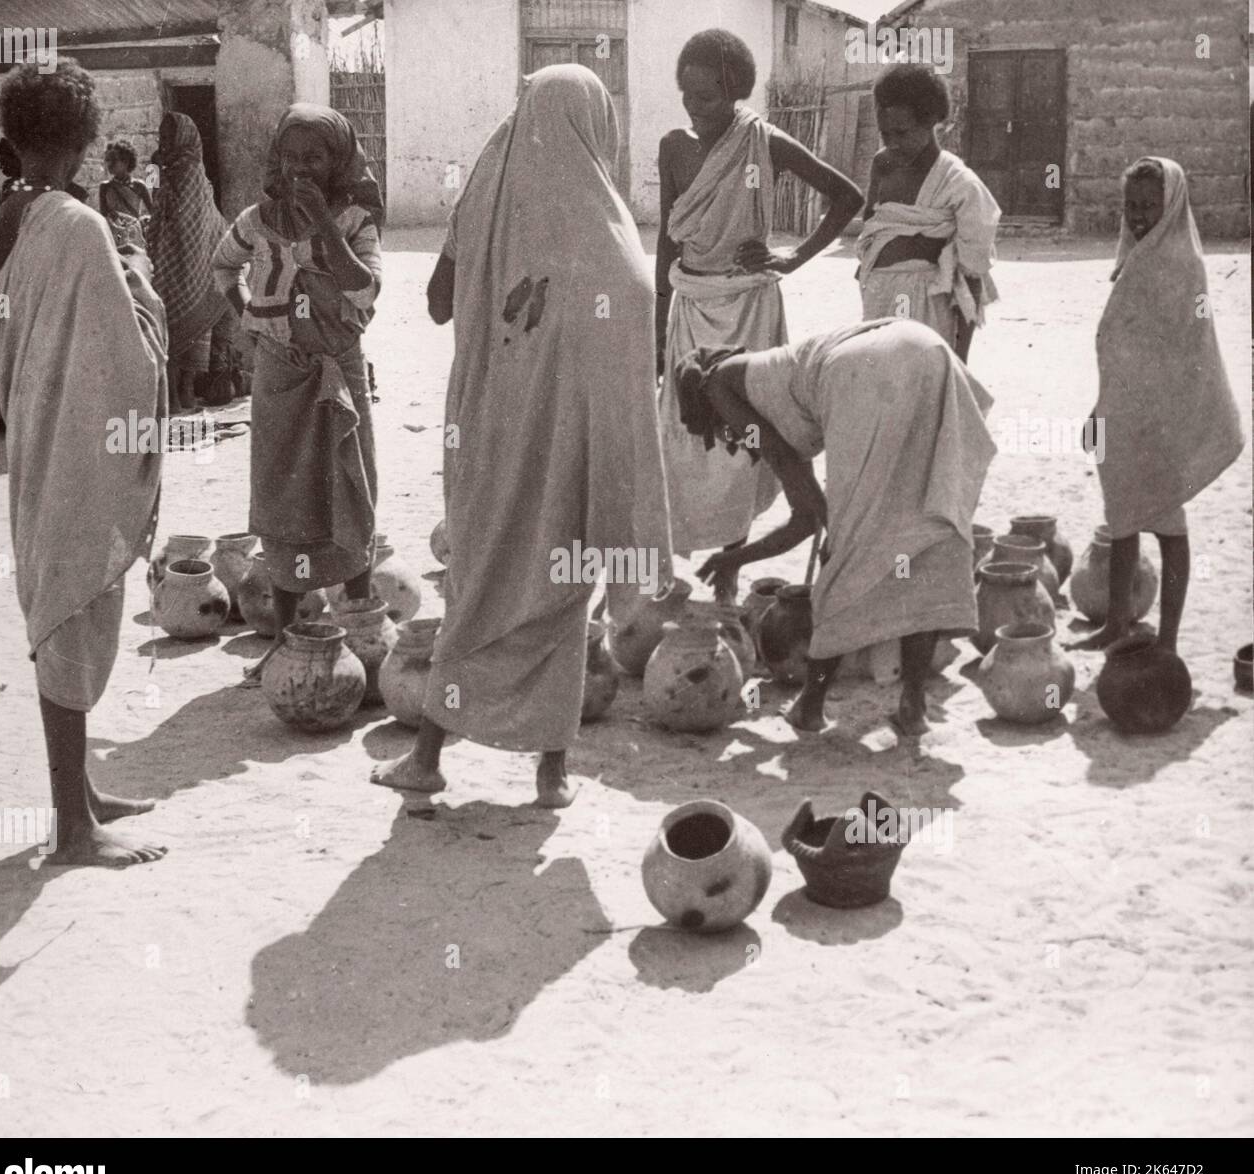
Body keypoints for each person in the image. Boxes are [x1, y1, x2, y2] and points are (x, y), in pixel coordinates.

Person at [372, 64, 673, 808]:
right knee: (561, 592)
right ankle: (551, 774)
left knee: (477, 578)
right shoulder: (609, 235)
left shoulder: (490, 184)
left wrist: (500, 299)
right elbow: (638, 320)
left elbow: (440, 301)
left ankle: (428, 757)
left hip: (484, 429)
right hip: (567, 446)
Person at [0, 60, 168, 866]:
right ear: (87, 145)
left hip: (35, 429)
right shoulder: (82, 227)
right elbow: (131, 347)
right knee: (68, 605)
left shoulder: (2, 220)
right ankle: (73, 831)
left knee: (58, 595)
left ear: (10, 143)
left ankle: (80, 790)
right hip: (78, 438)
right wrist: (140, 282)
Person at [676, 317, 995, 737]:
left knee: (848, 551)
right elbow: (808, 515)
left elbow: (813, 512)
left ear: (704, 404)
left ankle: (810, 705)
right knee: (925, 533)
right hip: (924, 350)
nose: (726, 438)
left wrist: (741, 556)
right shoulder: (777, 378)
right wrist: (738, 557)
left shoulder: (719, 386)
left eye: (717, 430)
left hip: (866, 371)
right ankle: (912, 706)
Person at [656, 29, 863, 603]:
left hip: (749, 307)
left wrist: (793, 257)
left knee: (743, 440)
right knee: (683, 440)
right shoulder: (673, 147)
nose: (694, 108)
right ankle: (679, 566)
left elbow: (847, 197)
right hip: (690, 309)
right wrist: (657, 328)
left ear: (736, 93)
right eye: (686, 94)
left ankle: (729, 570)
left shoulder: (763, 143)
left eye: (707, 97)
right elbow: (666, 248)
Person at [212, 103, 383, 685]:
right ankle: (286, 643)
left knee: (350, 490)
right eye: (292, 156)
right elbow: (221, 268)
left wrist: (326, 228)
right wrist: (251, 322)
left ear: (338, 161)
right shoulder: (256, 220)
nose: (302, 168)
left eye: (316, 157)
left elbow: (365, 292)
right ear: (277, 160)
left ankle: (362, 635)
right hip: (279, 377)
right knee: (284, 497)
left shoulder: (357, 218)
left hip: (339, 370)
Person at [1070, 157, 1244, 655]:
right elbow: (1122, 350)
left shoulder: (1184, 266)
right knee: (1122, 517)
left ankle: (1167, 639)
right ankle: (1117, 624)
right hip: (1123, 416)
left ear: (1172, 206)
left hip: (1162, 421)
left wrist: (1171, 412)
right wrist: (1100, 410)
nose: (1140, 215)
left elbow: (1194, 352)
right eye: (1131, 206)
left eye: (1150, 205)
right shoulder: (1134, 256)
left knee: (1168, 525)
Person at [856, 63, 999, 362]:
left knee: (926, 393)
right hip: (878, 297)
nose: (891, 143)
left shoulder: (960, 185)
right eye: (884, 133)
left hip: (930, 308)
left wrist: (960, 360)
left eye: (902, 132)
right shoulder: (882, 165)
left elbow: (971, 279)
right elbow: (871, 225)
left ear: (931, 122)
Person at [147, 113, 231, 413]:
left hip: (191, 263)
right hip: (170, 261)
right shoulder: (164, 170)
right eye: (162, 136)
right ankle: (174, 394)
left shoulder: (192, 172)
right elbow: (156, 205)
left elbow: (191, 223)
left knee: (189, 332)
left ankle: (184, 392)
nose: (164, 142)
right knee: (168, 327)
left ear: (184, 138)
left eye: (169, 137)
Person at [98, 138, 153, 248]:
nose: (110, 164)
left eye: (114, 160)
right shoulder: (105, 187)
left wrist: (144, 222)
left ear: (126, 162)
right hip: (114, 235)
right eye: (108, 160)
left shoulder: (139, 186)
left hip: (134, 235)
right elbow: (103, 215)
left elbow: (153, 212)